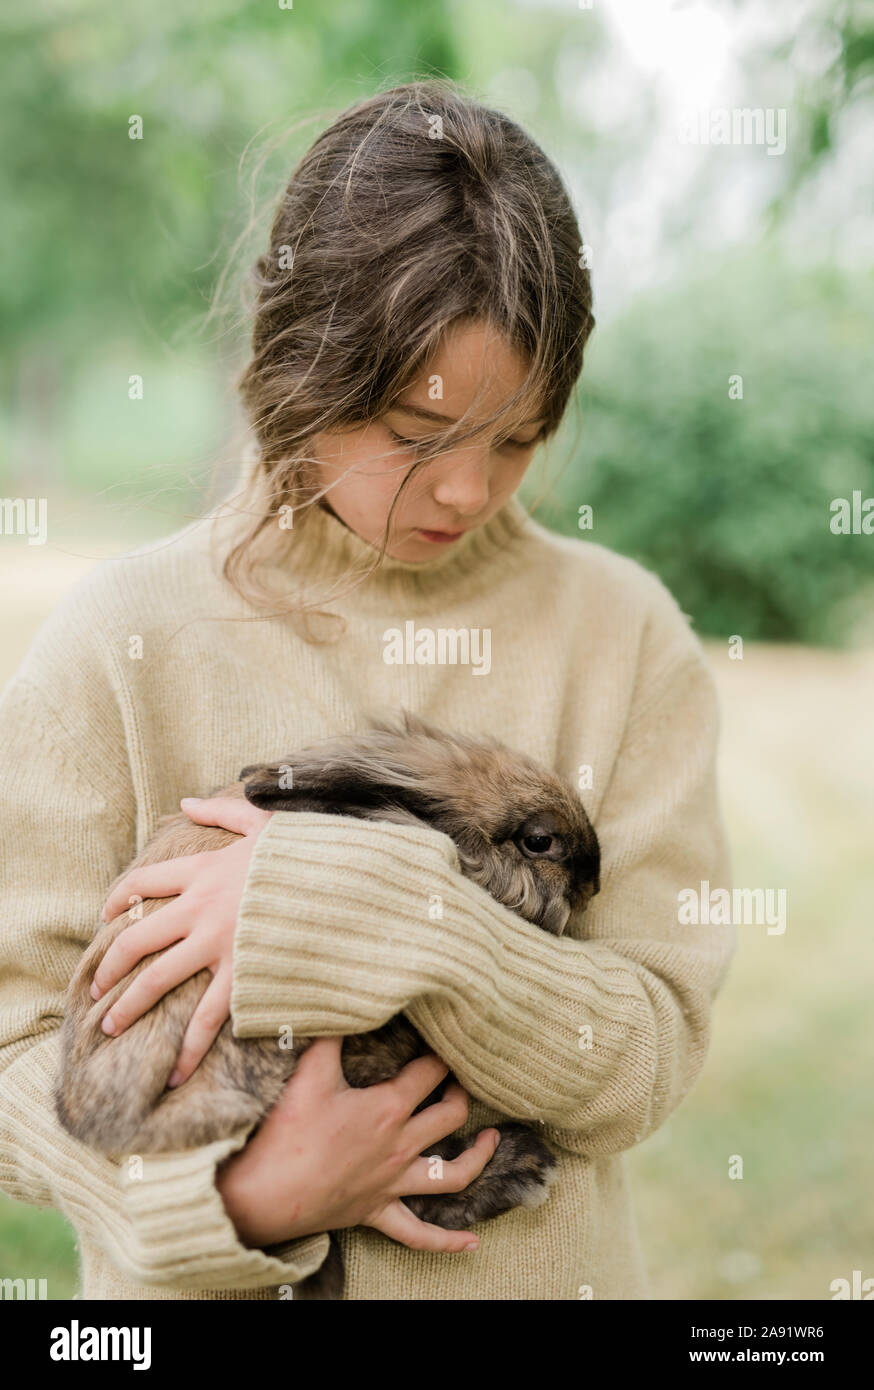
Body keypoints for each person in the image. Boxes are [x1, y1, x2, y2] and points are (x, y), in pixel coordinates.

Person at [0, 80, 734, 1300]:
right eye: (415, 433)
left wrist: (381, 912)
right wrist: (236, 1200)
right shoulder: (117, 639)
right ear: (305, 368)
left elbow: (643, 1054)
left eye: (516, 438)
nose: (466, 491)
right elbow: (17, 1053)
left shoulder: (624, 638)